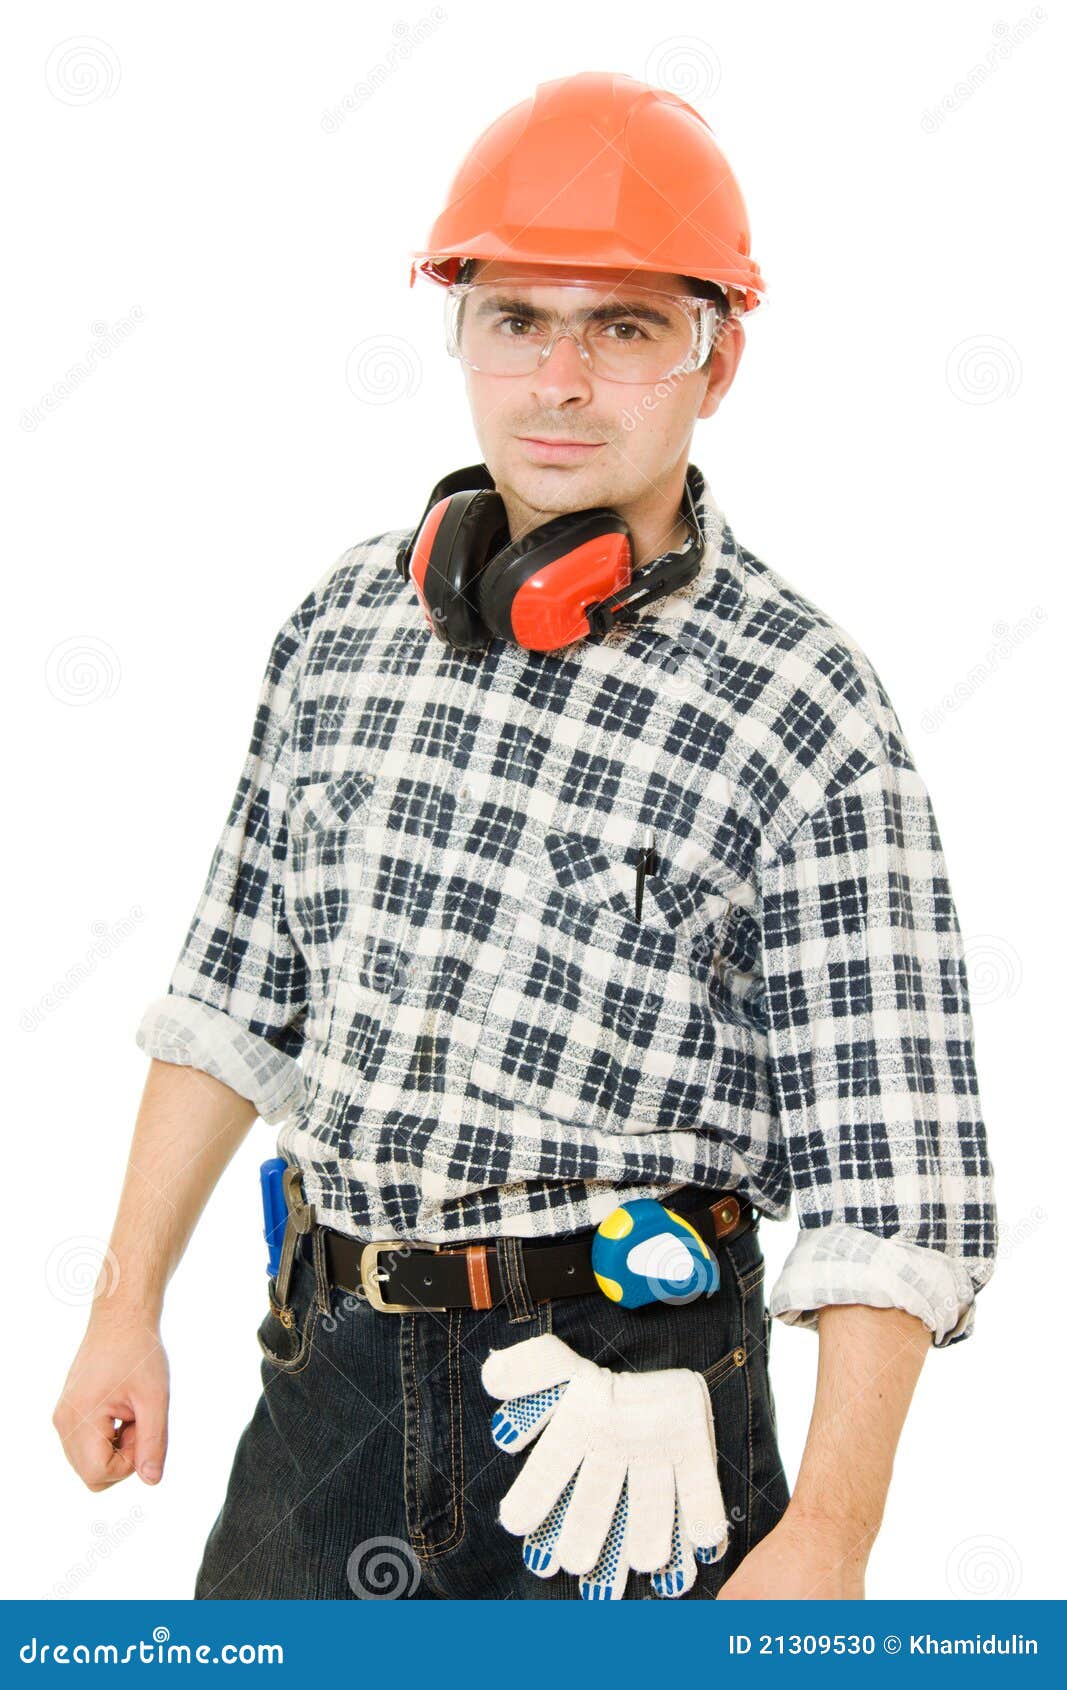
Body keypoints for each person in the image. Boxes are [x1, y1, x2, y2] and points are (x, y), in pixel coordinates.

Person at [52, 71, 997, 1601]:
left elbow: (896, 1181)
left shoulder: (803, 707)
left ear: (717, 356)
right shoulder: (345, 627)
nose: (559, 379)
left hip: (633, 1414)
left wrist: (830, 1532)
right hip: (327, 1389)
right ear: (461, 333)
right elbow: (230, 997)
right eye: (515, 319)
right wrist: (123, 1304)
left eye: (622, 327)